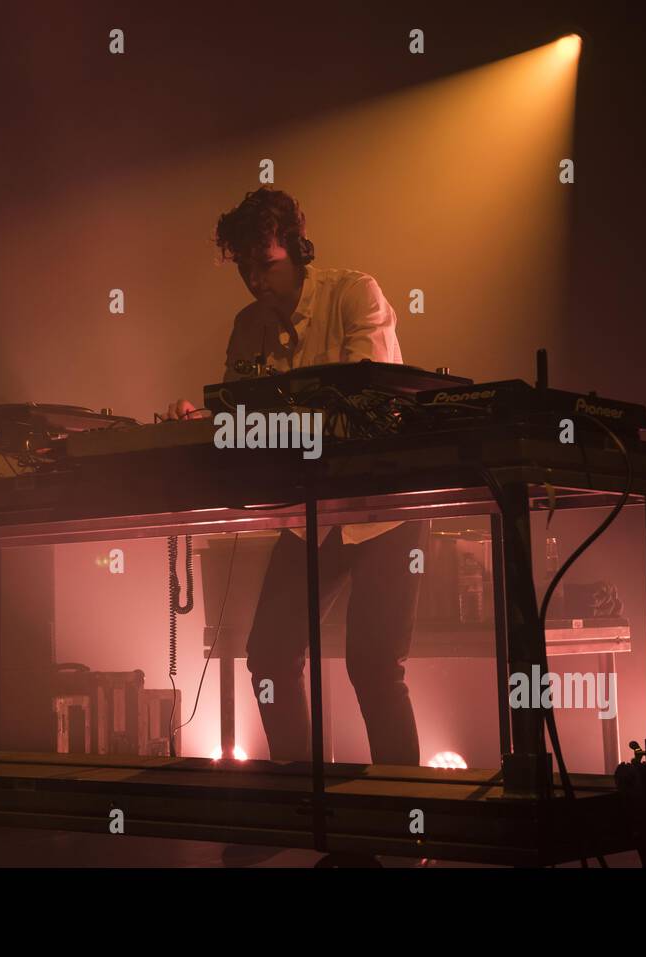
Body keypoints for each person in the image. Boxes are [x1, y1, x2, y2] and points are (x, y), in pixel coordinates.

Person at [165, 187, 427, 765]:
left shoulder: (355, 293)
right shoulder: (247, 326)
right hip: (314, 516)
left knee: (374, 666)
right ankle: (301, 792)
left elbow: (366, 405)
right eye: (245, 268)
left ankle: (412, 820)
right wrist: (203, 421)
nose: (257, 281)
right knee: (270, 655)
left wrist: (261, 420)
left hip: (383, 512)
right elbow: (237, 417)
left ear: (298, 250)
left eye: (267, 264)